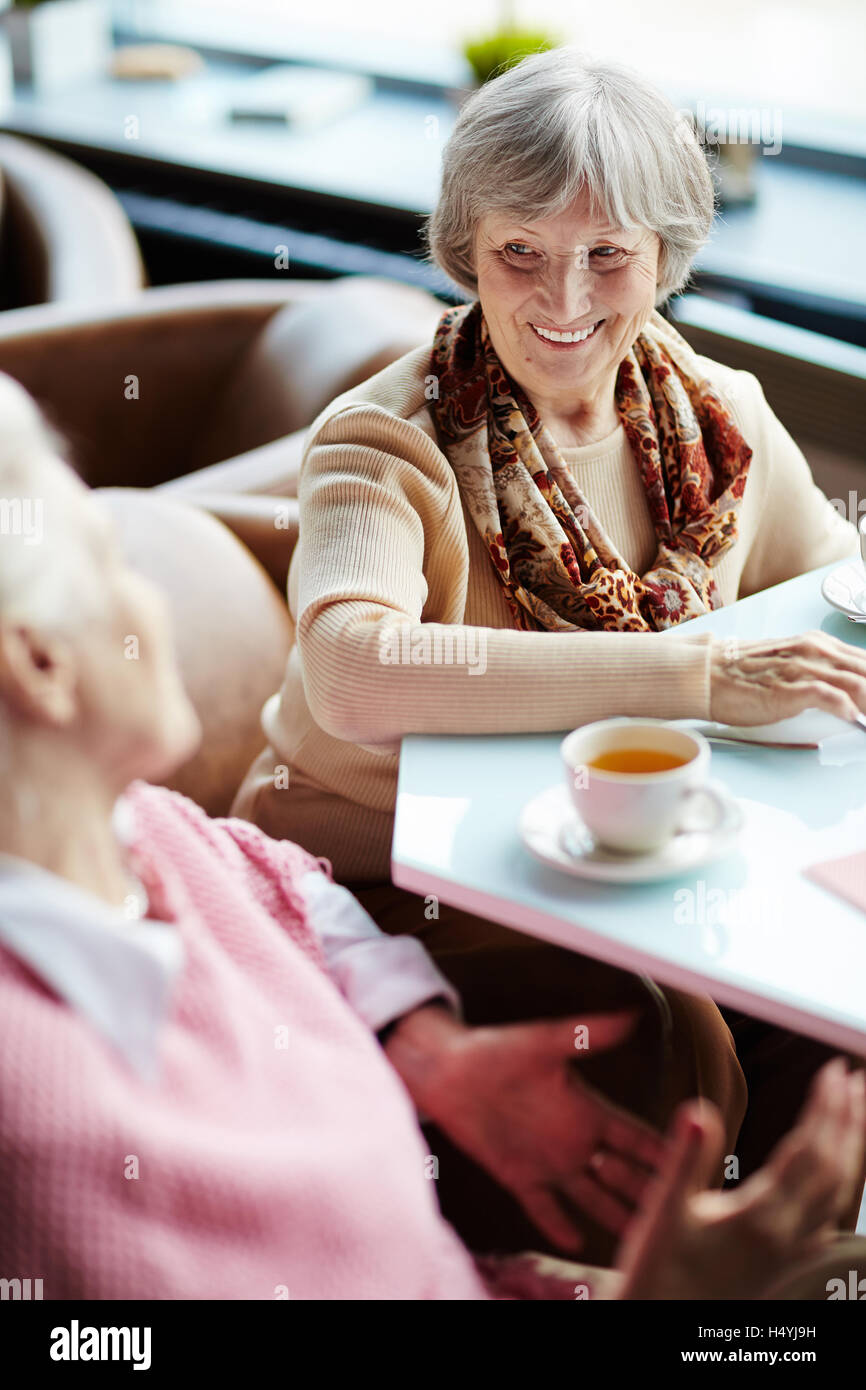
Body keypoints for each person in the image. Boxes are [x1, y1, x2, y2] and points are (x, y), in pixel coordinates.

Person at [1, 373, 864, 1301]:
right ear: (40, 665)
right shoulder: (50, 1127)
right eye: (115, 566)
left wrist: (426, 1047)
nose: (154, 609)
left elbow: (293, 893)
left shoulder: (152, 830)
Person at [231, 47, 866, 1259]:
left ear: (666, 259)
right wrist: (687, 674)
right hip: (389, 876)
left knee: (831, 1007)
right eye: (519, 251)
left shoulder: (718, 415)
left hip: (619, 854)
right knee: (657, 1043)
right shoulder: (381, 440)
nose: (561, 299)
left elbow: (817, 610)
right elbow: (356, 673)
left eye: (607, 256)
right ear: (466, 246)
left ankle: (761, 1284)